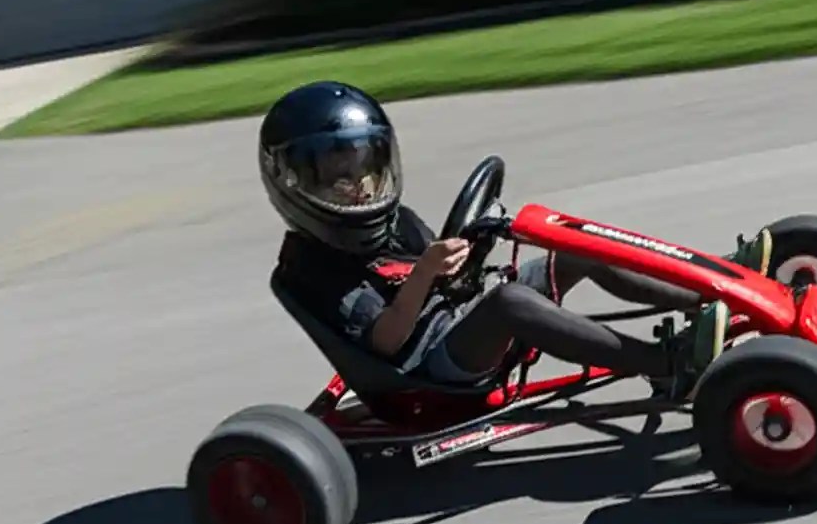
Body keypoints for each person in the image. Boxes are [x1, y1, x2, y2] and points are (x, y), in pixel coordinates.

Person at [262, 81, 772, 398]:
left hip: (458, 315)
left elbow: (446, 273)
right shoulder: (315, 265)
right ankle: (669, 364)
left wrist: (468, 249)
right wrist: (427, 274)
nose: (361, 189)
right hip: (428, 368)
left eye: (366, 170)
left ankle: (713, 286)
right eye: (339, 178)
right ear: (296, 184)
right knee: (511, 302)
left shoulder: (391, 222)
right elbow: (386, 342)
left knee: (575, 246)